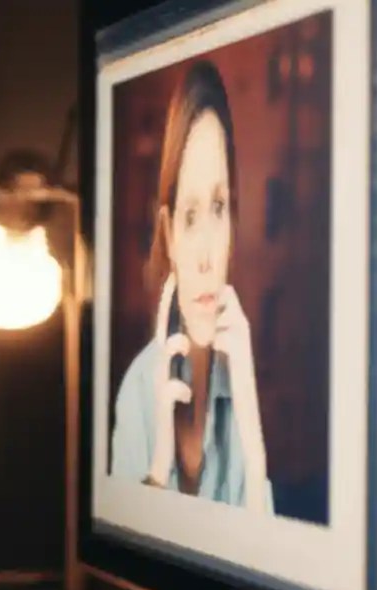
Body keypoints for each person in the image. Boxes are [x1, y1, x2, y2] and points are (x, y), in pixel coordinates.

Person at [110, 60, 274, 514]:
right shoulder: (138, 389)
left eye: (219, 207)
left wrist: (253, 442)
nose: (205, 255)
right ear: (169, 233)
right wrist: (160, 464)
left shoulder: (238, 382)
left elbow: (264, 571)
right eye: (190, 215)